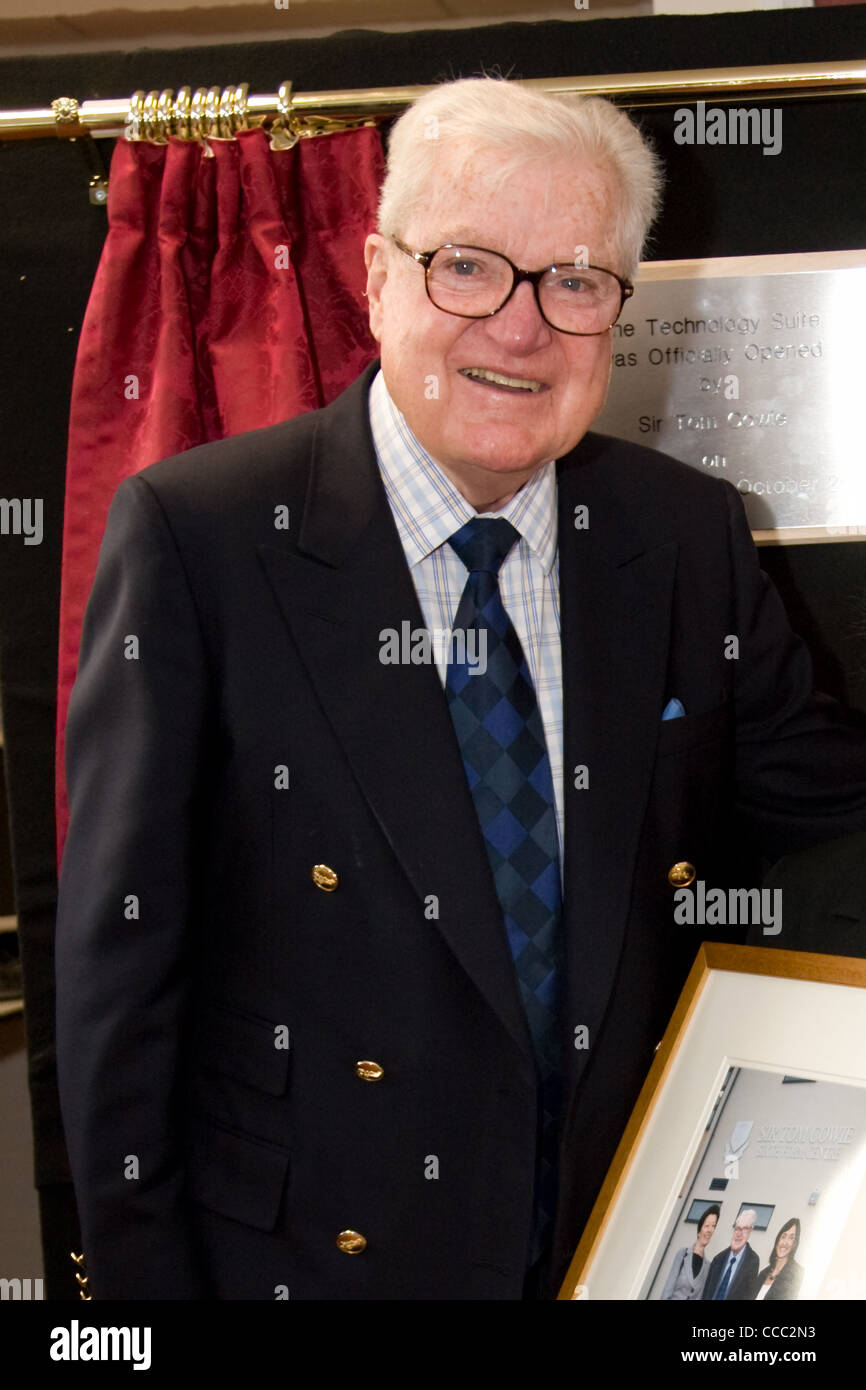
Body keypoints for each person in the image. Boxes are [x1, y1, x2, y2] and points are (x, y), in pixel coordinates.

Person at [54, 75, 866, 1303]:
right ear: (377, 275)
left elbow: (822, 809)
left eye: (575, 281)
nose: (522, 327)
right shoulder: (202, 534)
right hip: (307, 1257)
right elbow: (122, 966)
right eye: (469, 267)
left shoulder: (682, 536)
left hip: (609, 1242)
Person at [659, 1204, 720, 1300]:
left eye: (713, 1226)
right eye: (707, 1225)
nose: (710, 1230)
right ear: (699, 1230)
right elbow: (668, 1289)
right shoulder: (682, 1254)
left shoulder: (708, 1266)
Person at [703, 1210, 761, 1301]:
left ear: (750, 1231)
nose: (739, 1234)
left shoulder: (753, 1261)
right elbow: (705, 1292)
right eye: (737, 1228)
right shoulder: (718, 1259)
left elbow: (750, 1296)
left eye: (744, 1229)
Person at [750, 1217, 804, 1301]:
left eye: (791, 1238)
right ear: (778, 1240)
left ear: (795, 1243)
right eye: (783, 1236)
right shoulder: (763, 1273)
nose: (785, 1242)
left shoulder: (797, 1275)